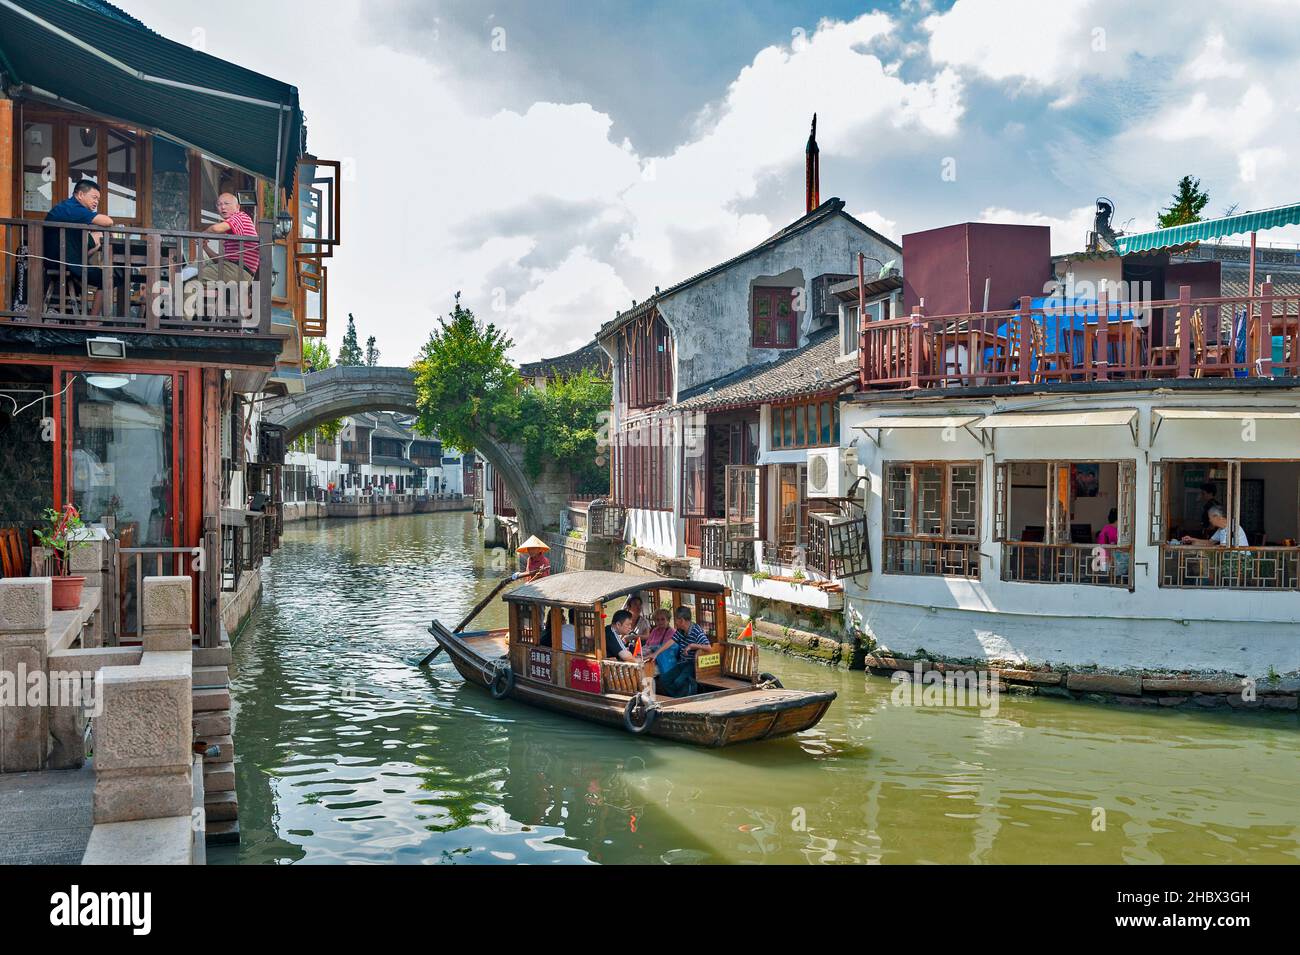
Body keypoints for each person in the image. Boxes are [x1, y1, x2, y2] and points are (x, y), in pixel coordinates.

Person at [43, 180, 116, 315]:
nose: (96, 202)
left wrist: (97, 241)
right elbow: (108, 221)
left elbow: (83, 251)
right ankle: (92, 321)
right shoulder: (74, 209)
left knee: (97, 239)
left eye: (98, 200)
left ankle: (90, 318)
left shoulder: (66, 208)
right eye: (94, 197)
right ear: (80, 194)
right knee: (107, 278)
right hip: (62, 262)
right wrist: (102, 234)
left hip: (58, 259)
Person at [653, 607, 714, 698]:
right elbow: (671, 641)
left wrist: (692, 645)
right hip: (682, 662)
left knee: (679, 682)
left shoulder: (696, 631)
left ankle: (684, 697)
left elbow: (709, 648)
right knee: (664, 679)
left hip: (692, 664)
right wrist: (656, 653)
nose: (675, 623)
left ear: (681, 620)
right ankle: (677, 697)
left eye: (676, 620)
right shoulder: (681, 631)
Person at [1181, 505, 1248, 547]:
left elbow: (1222, 548)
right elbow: (1210, 542)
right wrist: (1192, 539)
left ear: (1216, 517)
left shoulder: (1232, 527)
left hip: (1240, 560)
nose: (1210, 520)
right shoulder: (1221, 529)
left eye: (1210, 518)